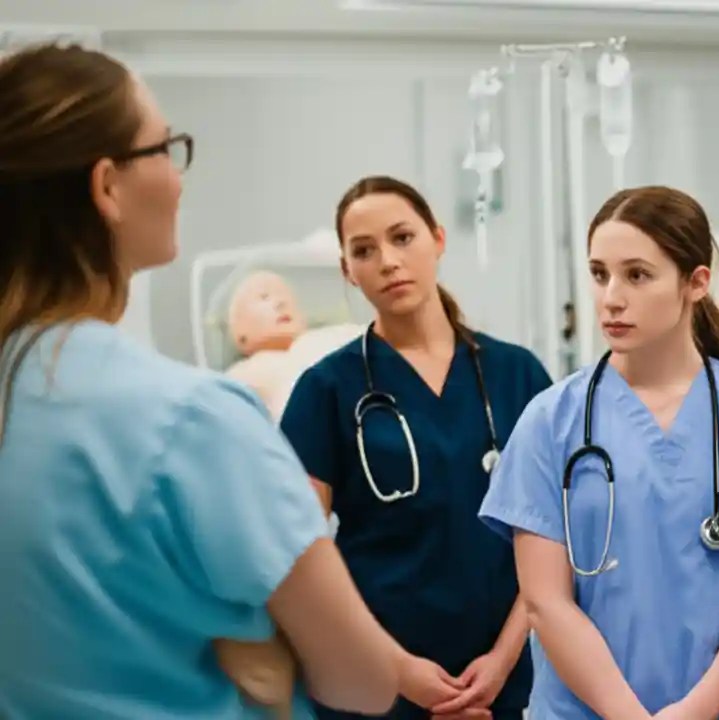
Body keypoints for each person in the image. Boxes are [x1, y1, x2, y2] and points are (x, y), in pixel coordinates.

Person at [0, 43, 447, 720]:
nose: (179, 179)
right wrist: (266, 650)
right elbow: (361, 679)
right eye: (167, 148)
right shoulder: (193, 419)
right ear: (107, 187)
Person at [476, 185, 719, 719]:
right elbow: (546, 603)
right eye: (599, 274)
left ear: (696, 283)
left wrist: (695, 711)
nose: (611, 297)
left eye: (637, 275)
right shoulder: (551, 422)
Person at [279, 175, 552, 720]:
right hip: (372, 679)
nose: (387, 260)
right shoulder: (325, 390)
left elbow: (552, 538)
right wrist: (400, 671)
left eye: (402, 238)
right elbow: (297, 554)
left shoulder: (517, 375)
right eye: (364, 250)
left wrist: (499, 665)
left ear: (438, 239)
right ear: (347, 271)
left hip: (504, 679)